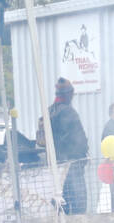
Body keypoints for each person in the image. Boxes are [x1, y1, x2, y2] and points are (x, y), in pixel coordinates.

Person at [36, 77, 88, 215]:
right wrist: (82, 157)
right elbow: (78, 140)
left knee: (61, 204)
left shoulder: (49, 111)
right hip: (71, 163)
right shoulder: (69, 112)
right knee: (78, 205)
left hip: (55, 166)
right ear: (69, 94)